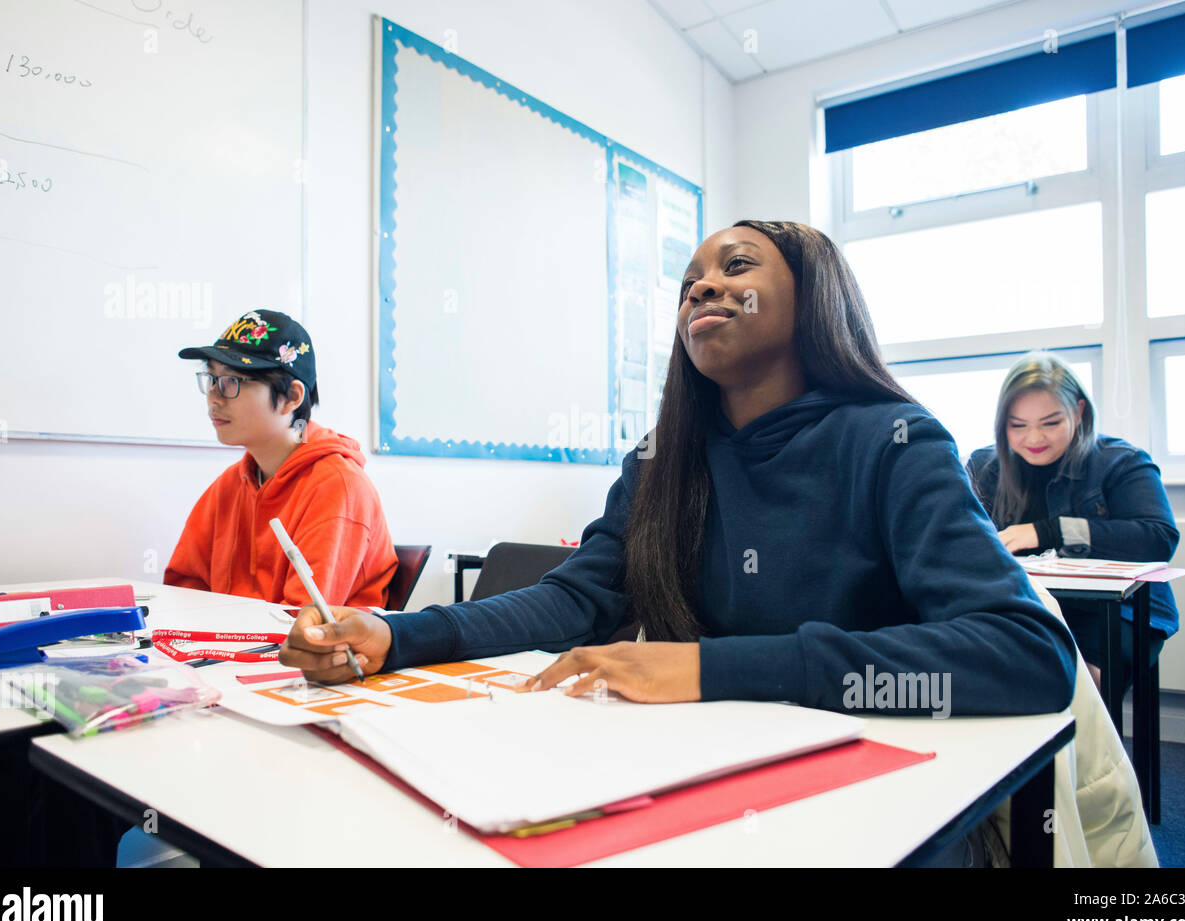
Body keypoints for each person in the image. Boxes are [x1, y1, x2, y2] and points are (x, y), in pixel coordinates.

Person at [280, 222, 1075, 726]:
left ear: (814, 296)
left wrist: (707, 666)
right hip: (705, 764)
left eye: (737, 265)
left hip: (873, 782)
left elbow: (1027, 651)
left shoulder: (892, 441)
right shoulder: (663, 458)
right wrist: (397, 633)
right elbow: (577, 595)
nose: (702, 284)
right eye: (692, 278)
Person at [966, 352, 1180, 689]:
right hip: (1025, 603)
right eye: (1018, 425)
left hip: (1115, 613)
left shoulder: (1121, 461)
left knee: (1074, 687)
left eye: (1051, 423)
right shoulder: (983, 467)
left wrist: (1048, 532)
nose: (1034, 439)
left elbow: (1158, 538)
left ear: (1079, 412)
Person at [165, 309, 398, 606]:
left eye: (231, 381)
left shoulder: (338, 486)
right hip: (230, 649)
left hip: (309, 651)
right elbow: (182, 592)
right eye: (211, 378)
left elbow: (303, 622)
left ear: (291, 397)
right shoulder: (230, 484)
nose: (213, 396)